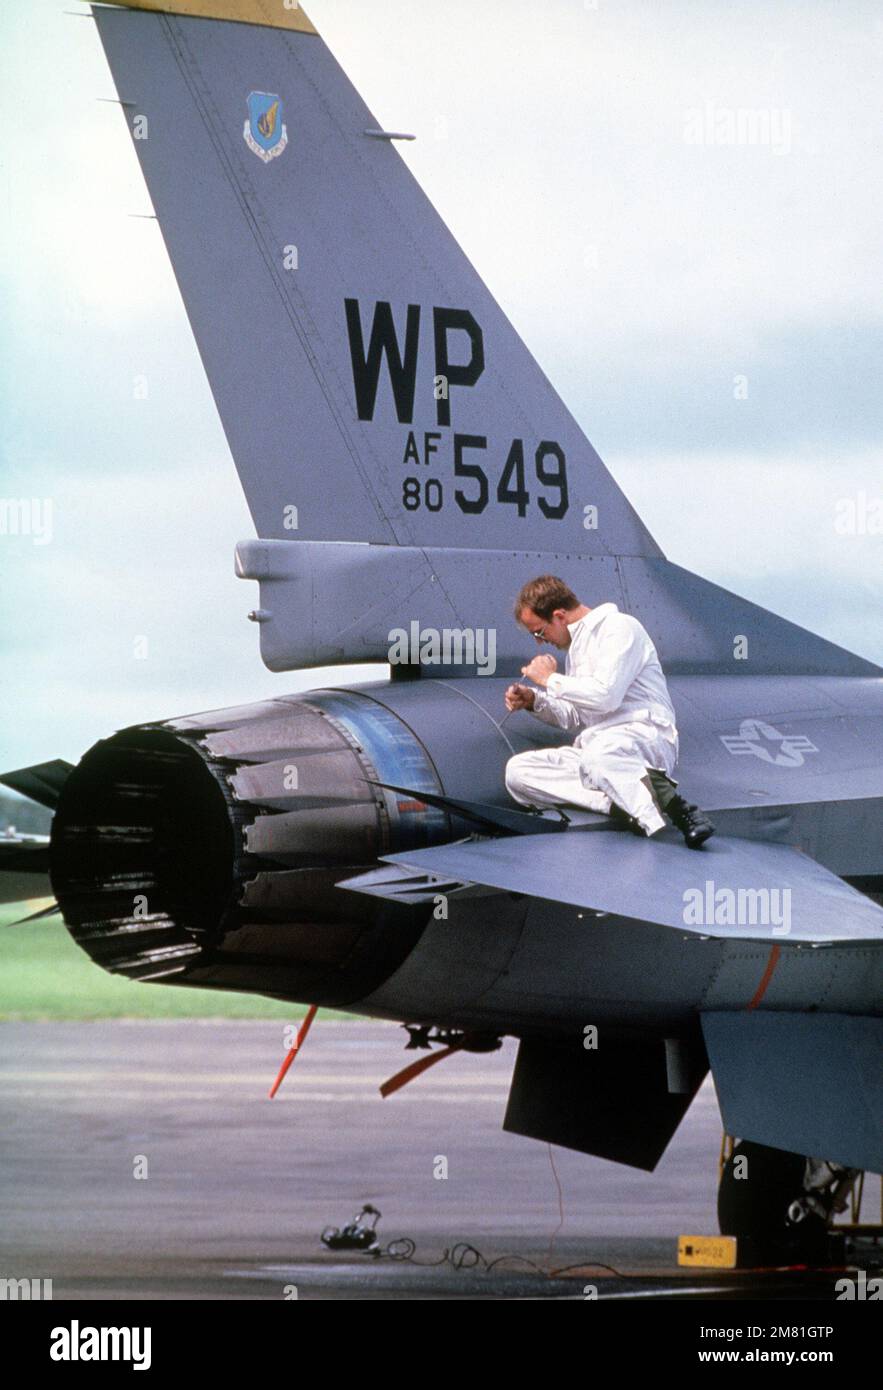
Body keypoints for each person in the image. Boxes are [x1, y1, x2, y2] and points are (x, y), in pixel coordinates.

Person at [503, 575, 715, 848]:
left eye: (539, 632)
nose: (540, 642)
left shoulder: (619, 628)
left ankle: (677, 809)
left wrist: (549, 679)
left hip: (641, 740)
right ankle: (626, 804)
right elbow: (576, 716)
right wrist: (534, 700)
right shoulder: (576, 650)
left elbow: (605, 698)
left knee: (600, 756)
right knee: (518, 772)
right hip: (600, 752)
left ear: (559, 616)